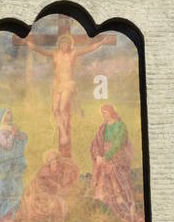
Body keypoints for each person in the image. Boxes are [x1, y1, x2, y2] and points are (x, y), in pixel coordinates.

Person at [16, 29, 115, 158]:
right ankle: (63, 132)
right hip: (57, 85)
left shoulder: (73, 54)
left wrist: (101, 42)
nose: (65, 46)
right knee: (55, 109)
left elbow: (89, 48)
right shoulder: (54, 54)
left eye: (67, 44)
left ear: (70, 45)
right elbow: (40, 50)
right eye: (63, 44)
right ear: (60, 45)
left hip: (68, 83)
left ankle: (64, 134)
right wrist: (28, 43)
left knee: (63, 108)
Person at [90, 103, 136, 222]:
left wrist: (107, 156)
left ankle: (126, 210)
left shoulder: (120, 125)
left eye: (105, 113)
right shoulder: (103, 127)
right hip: (104, 158)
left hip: (118, 156)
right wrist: (98, 156)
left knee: (115, 177)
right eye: (102, 114)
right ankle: (104, 212)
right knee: (102, 181)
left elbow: (119, 142)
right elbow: (96, 142)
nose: (103, 116)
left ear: (111, 112)